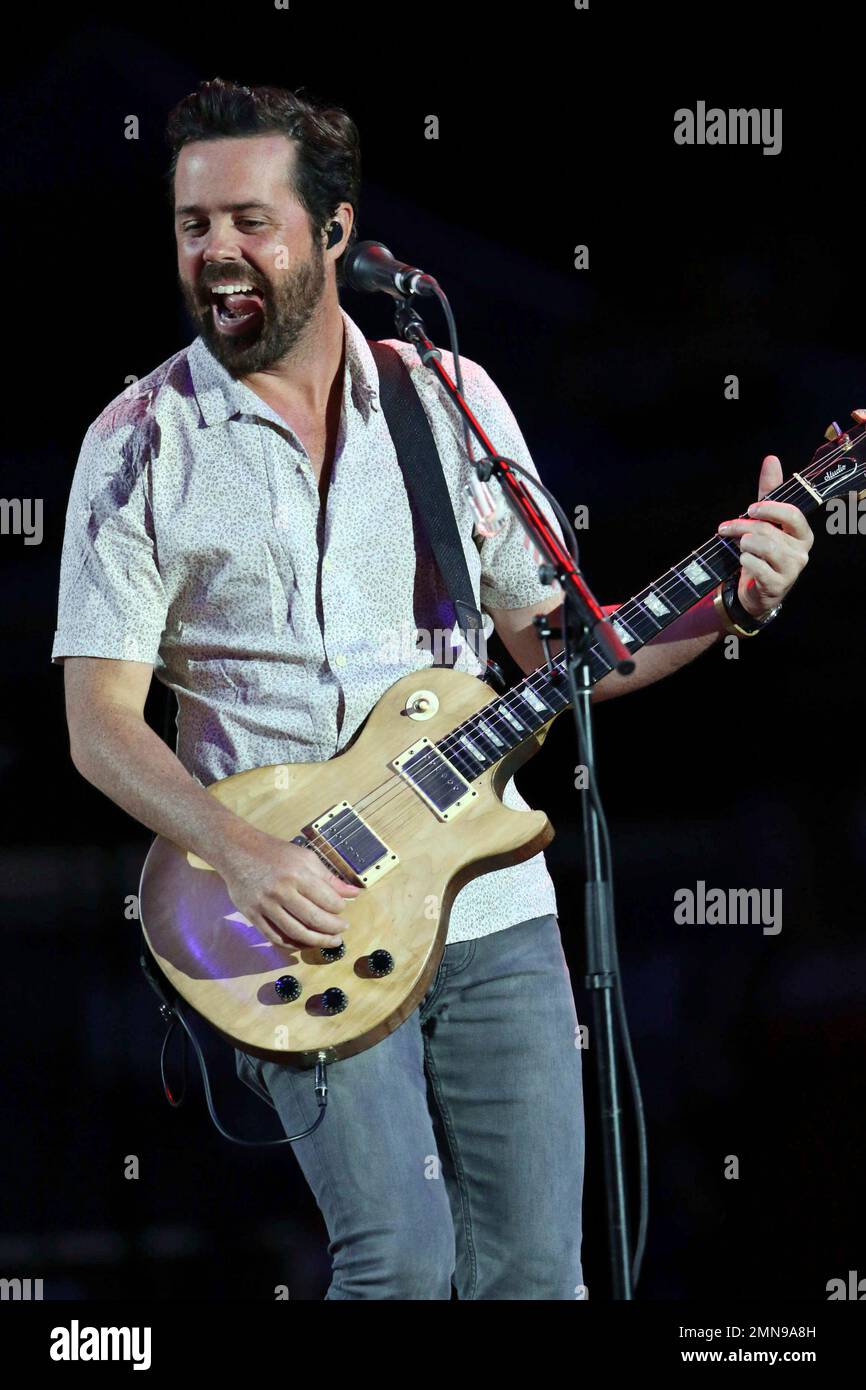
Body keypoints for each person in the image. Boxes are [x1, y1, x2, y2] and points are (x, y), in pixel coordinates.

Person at [52, 78, 813, 1300]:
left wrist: (737, 601)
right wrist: (241, 852)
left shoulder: (446, 398)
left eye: (250, 220)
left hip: (490, 908)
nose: (216, 254)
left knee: (532, 1277)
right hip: (292, 917)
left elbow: (562, 648)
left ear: (335, 234)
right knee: (399, 1261)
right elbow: (97, 727)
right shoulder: (140, 440)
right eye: (194, 226)